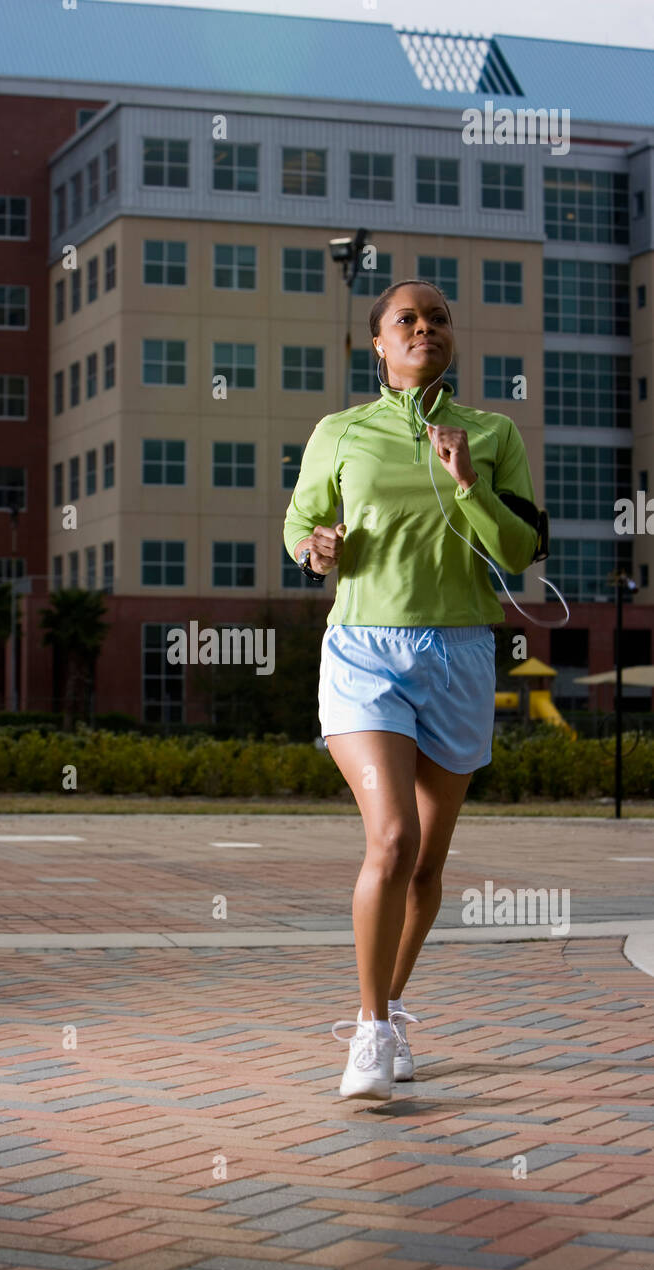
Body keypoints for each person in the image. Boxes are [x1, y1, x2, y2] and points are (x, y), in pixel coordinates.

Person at [283, 279, 543, 1102]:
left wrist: (469, 481)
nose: (424, 328)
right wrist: (316, 548)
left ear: (449, 340)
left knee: (428, 862)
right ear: (380, 345)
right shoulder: (341, 432)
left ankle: (391, 1009)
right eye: (408, 320)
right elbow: (298, 526)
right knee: (390, 841)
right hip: (364, 649)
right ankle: (366, 1031)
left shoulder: (492, 432)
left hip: (461, 651)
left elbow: (522, 550)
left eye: (437, 320)